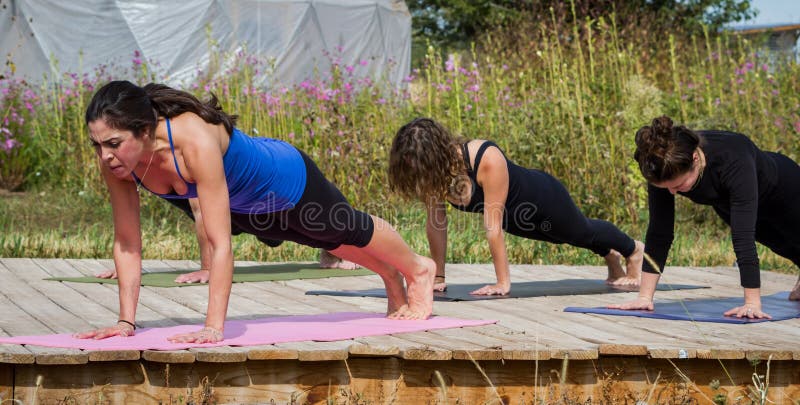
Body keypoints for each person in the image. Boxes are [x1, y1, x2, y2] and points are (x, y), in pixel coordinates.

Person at [75, 81, 435, 343]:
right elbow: (127, 244)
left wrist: (212, 328)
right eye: (96, 145)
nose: (104, 155)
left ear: (144, 131)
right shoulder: (118, 162)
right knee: (323, 240)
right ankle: (391, 275)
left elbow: (219, 246)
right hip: (245, 207)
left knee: (345, 228)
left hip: (285, 179)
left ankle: (418, 268)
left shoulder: (193, 141)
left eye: (113, 143)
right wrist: (125, 322)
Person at [387, 118, 644, 295]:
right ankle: (610, 256)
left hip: (544, 198)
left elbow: (492, 227)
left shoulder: (484, 158)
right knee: (563, 238)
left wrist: (502, 282)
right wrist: (439, 277)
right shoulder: (434, 175)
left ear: (435, 155)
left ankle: (632, 250)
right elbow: (436, 223)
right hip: (516, 218)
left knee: (579, 231)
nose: (415, 172)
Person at [608, 116, 800, 319]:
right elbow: (659, 233)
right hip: (726, 200)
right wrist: (644, 298)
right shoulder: (662, 166)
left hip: (786, 190)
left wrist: (752, 303)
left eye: (679, 186)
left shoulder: (733, 158)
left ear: (695, 159)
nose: (672, 192)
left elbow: (742, 238)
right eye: (667, 188)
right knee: (780, 244)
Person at [94, 198, 360, 284]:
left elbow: (201, 207)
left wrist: (208, 268)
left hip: (244, 203)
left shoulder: (178, 152)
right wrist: (127, 262)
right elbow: (128, 211)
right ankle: (333, 248)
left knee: (288, 228)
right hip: (229, 211)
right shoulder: (130, 160)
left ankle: (341, 247)